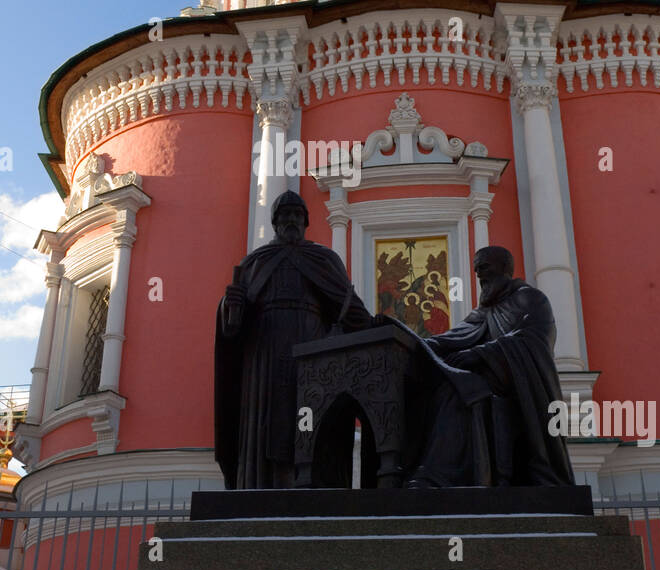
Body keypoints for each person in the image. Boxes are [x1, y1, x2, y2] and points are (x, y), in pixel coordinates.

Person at [214, 191, 374, 489]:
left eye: (297, 215)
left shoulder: (323, 259)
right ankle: (266, 485)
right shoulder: (255, 262)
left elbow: (348, 306)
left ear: (305, 221)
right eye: (285, 215)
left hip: (313, 351)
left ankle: (314, 482)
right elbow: (233, 330)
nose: (292, 220)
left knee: (310, 416)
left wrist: (373, 327)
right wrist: (229, 306)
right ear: (275, 222)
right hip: (266, 355)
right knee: (271, 420)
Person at [405, 246, 575, 488]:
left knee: (459, 392)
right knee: (441, 388)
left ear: (504, 267)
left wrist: (479, 354)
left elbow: (533, 341)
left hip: (518, 386)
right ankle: (433, 472)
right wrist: (413, 342)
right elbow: (453, 338)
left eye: (484, 267)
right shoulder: (485, 311)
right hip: (487, 380)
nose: (479, 275)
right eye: (476, 270)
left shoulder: (530, 299)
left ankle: (438, 476)